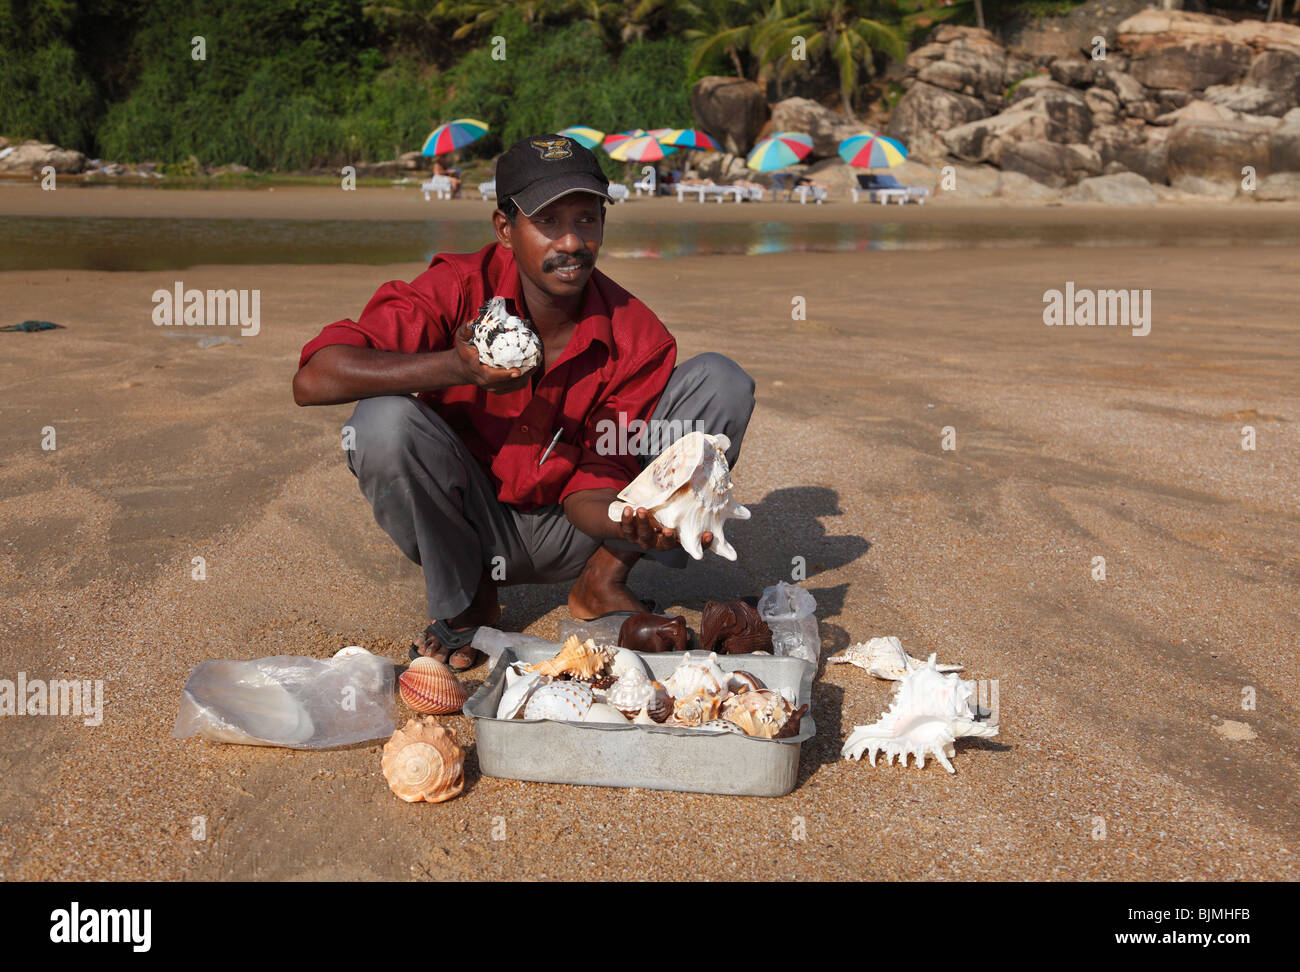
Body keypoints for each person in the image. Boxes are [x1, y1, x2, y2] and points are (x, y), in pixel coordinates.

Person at [293, 134, 755, 670]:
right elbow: (313, 378)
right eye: (548, 223)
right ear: (504, 229)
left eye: (587, 219)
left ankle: (601, 581)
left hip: (574, 528)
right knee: (381, 422)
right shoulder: (458, 287)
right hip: (471, 524)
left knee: (721, 381)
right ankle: (467, 600)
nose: (571, 243)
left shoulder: (636, 334)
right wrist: (453, 366)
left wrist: (630, 518)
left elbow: (596, 478)